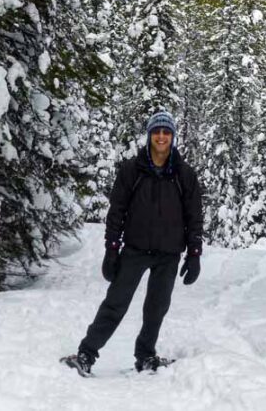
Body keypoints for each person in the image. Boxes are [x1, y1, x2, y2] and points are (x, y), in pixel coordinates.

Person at [61, 110, 203, 376]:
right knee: (115, 304)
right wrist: (111, 250)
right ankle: (86, 354)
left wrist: (194, 253)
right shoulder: (132, 170)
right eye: (157, 132)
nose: (161, 137)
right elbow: (117, 212)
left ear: (172, 136)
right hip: (135, 250)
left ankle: (146, 357)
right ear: (150, 135)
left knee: (156, 308)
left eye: (166, 132)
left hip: (168, 254)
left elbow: (195, 216)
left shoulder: (184, 174)